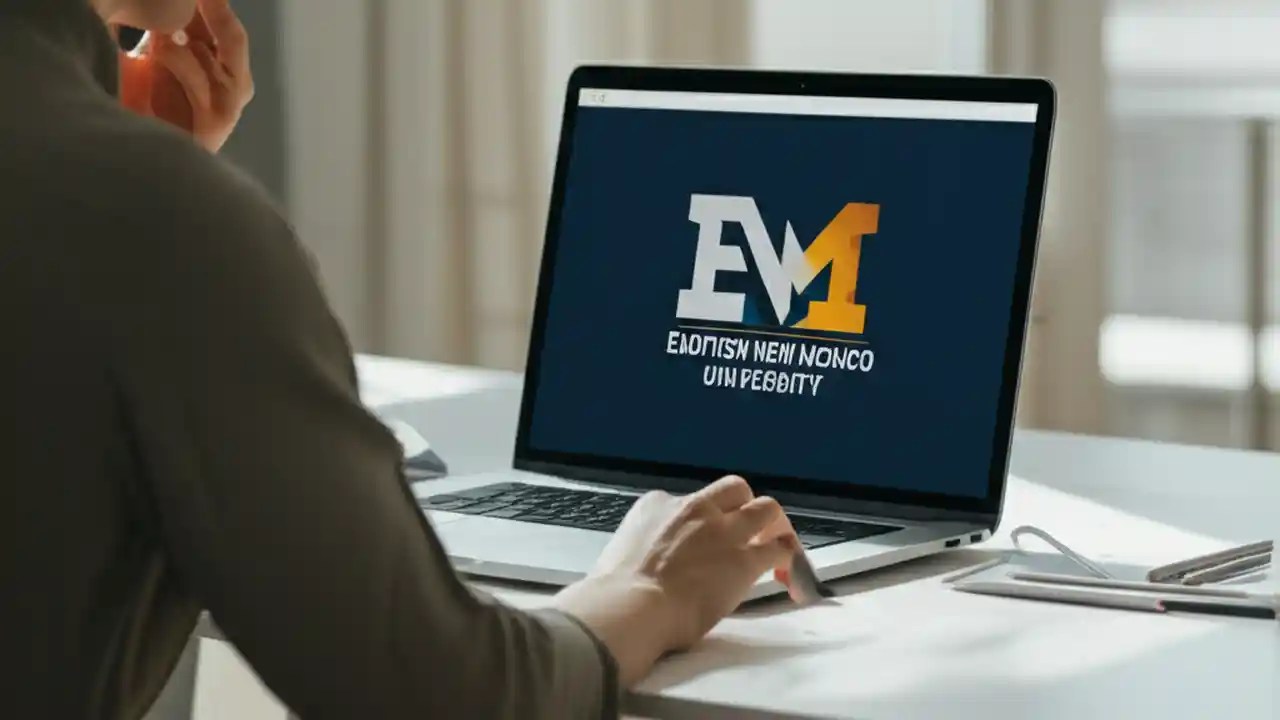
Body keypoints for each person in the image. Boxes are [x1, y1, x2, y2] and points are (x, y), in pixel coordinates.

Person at [0, 1, 804, 717]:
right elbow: (444, 693)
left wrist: (139, 174)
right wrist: (645, 590)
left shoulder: (119, 204)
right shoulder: (154, 223)